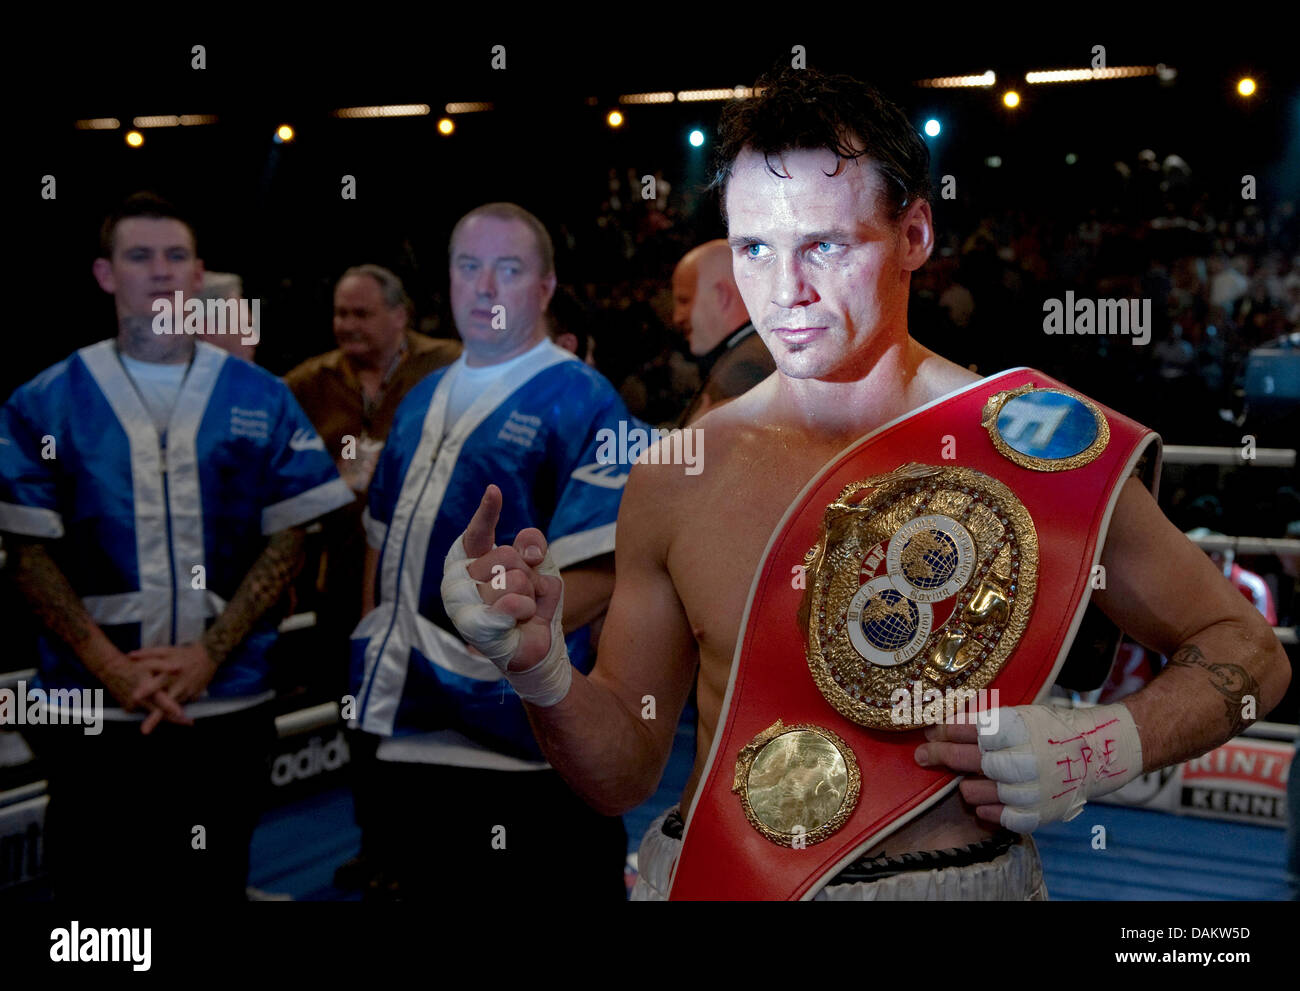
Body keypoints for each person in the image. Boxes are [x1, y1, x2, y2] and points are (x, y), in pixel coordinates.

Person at [437, 69, 1291, 900]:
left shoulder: (1031, 440)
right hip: (719, 877)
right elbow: (624, 772)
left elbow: (1248, 649)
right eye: (754, 249)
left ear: (914, 235)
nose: (786, 290)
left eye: (826, 244)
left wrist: (1101, 744)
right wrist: (541, 665)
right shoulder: (678, 472)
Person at [0, 191, 353, 901]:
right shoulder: (44, 400)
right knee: (98, 902)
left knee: (213, 882)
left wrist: (207, 655)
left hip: (224, 704)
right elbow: (27, 552)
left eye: (176, 256)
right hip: (89, 708)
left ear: (198, 276)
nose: (159, 271)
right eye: (139, 256)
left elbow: (292, 535)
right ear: (106, 275)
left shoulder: (262, 396)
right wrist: (109, 666)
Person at [349, 203, 629, 900]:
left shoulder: (585, 398)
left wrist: (499, 651)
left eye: (508, 269)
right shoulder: (419, 396)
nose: (484, 288)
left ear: (544, 288)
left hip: (523, 739)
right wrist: (371, 644)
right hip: (405, 724)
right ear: (447, 280)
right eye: (469, 268)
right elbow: (379, 547)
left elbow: (605, 567)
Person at [284, 264, 461, 893]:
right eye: (340, 314)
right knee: (358, 718)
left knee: (428, 712)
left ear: (399, 315)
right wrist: (336, 474)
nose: (348, 326)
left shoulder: (449, 366)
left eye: (361, 314)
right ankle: (376, 845)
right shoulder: (308, 382)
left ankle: (429, 846)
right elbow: (278, 473)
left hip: (432, 582)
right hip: (342, 586)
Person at [671, 239, 774, 424]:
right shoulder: (748, 353)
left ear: (722, 296)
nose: (677, 317)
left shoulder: (745, 366)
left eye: (684, 301)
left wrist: (692, 441)